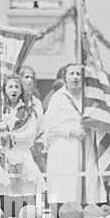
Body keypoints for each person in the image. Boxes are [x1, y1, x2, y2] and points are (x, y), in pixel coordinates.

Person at [0, 73, 45, 211]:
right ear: (4, 89)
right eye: (10, 86)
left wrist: (11, 137)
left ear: (21, 90)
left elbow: (30, 134)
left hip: (22, 154)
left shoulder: (27, 111)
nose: (14, 90)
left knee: (27, 192)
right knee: (5, 193)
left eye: (17, 87)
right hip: (4, 156)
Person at [41, 64, 89, 206]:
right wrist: (70, 132)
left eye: (78, 74)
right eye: (71, 73)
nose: (75, 77)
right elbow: (49, 126)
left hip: (82, 146)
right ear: (65, 77)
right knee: (62, 184)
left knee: (79, 184)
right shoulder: (58, 97)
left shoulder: (85, 97)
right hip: (63, 146)